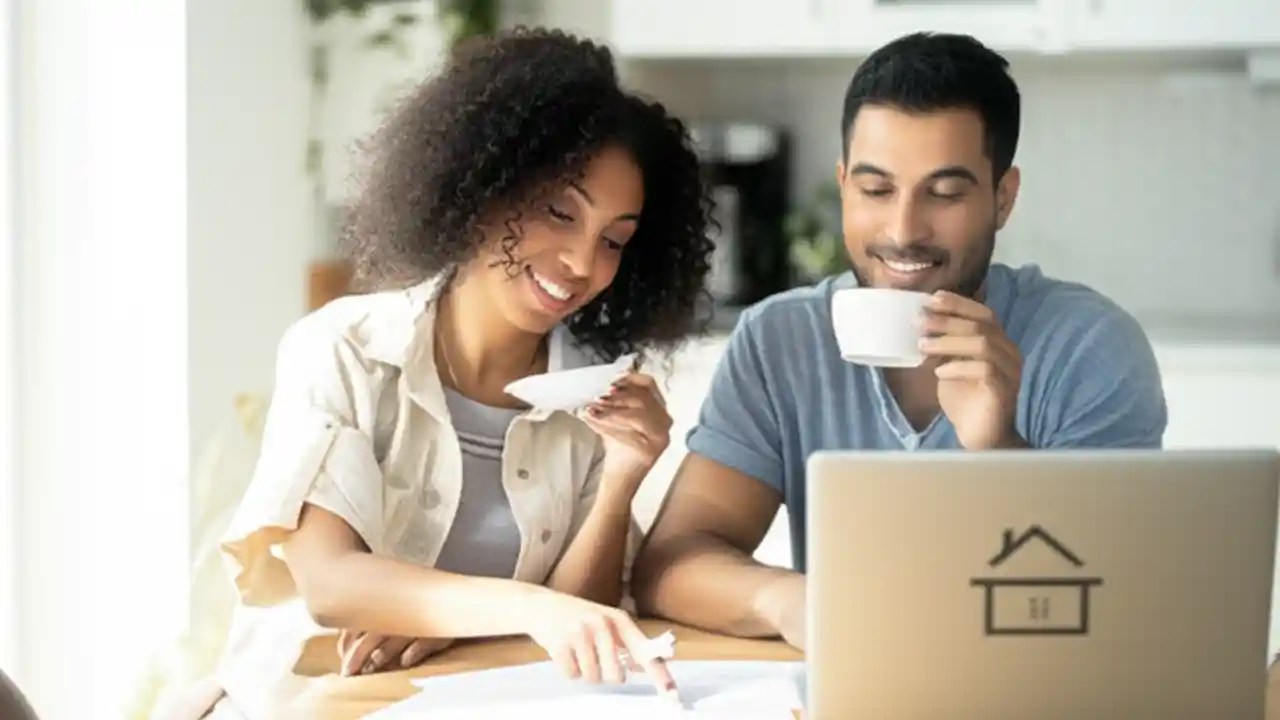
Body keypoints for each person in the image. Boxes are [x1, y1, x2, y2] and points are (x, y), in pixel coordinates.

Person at [206, 28, 712, 719]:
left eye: (614, 241)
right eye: (558, 212)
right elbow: (329, 581)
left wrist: (624, 475)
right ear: (483, 188)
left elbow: (582, 629)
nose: (581, 262)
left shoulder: (589, 396)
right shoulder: (343, 348)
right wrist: (527, 608)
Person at [631, 32, 1167, 650]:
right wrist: (792, 600)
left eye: (945, 192)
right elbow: (671, 560)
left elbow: (1119, 598)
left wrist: (999, 448)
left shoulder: (1090, 347)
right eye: (876, 189)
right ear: (843, 185)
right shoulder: (780, 341)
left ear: (1003, 198)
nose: (903, 230)